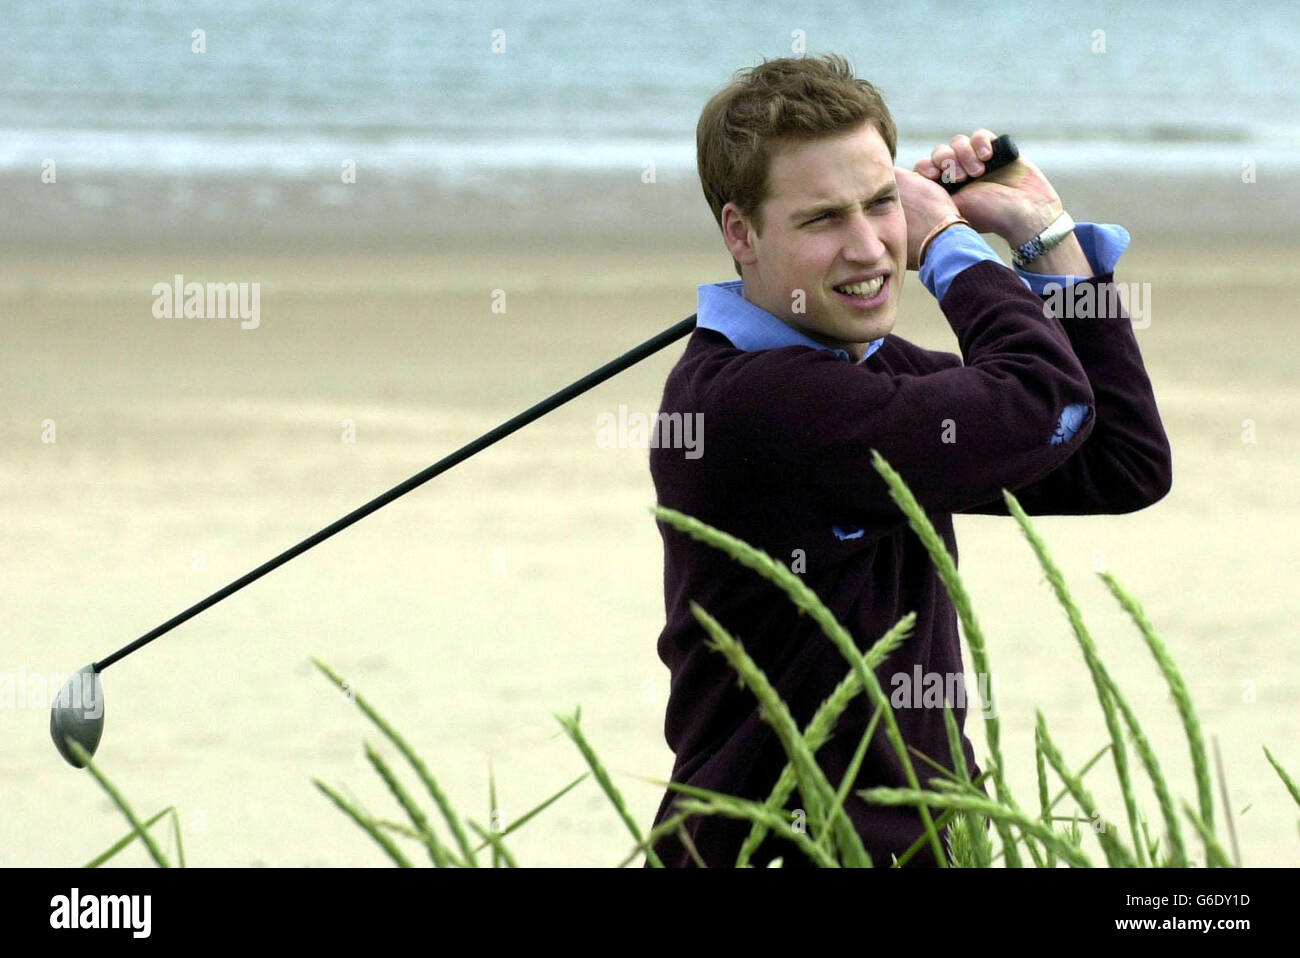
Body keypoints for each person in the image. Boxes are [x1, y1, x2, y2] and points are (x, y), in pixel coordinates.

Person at [645, 53, 1172, 867]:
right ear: (740, 233)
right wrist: (950, 245)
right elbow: (1045, 402)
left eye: (882, 204)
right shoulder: (753, 405)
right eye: (824, 219)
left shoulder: (863, 372)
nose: (869, 248)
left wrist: (1043, 235)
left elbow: (1117, 458)